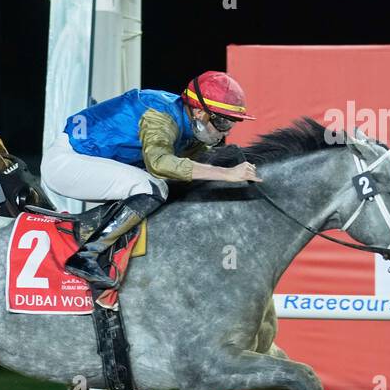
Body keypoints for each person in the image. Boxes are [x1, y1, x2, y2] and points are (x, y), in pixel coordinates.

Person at [40, 70, 262, 288]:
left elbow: (196, 165)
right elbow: (160, 164)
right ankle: (86, 255)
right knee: (153, 188)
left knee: (157, 187)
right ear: (199, 112)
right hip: (67, 162)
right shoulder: (159, 114)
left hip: (88, 163)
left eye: (231, 124)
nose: (224, 133)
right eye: (223, 123)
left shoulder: (188, 129)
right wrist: (227, 174)